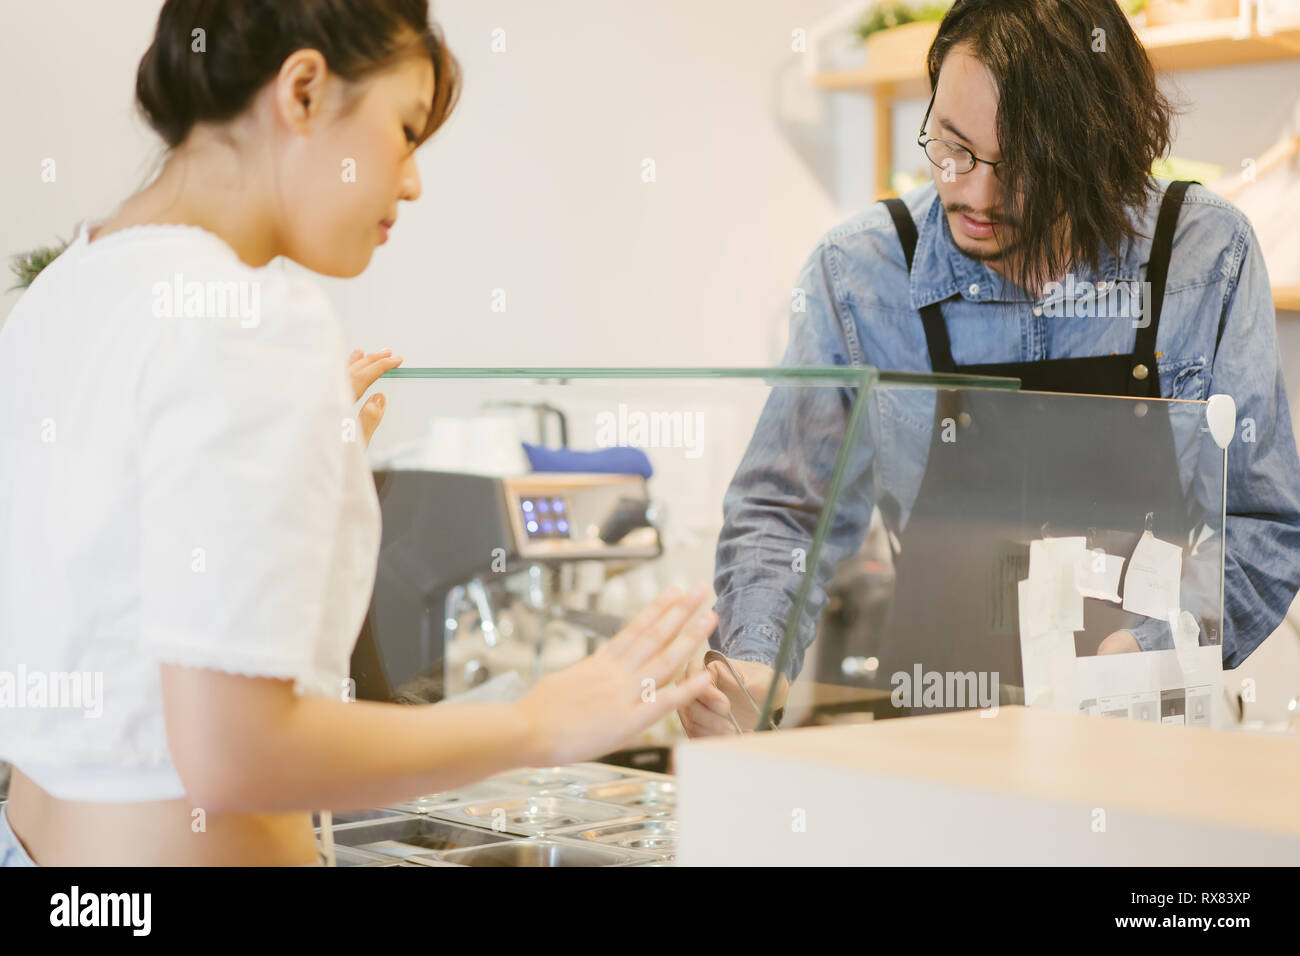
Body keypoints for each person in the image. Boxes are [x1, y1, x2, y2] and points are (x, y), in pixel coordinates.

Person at [0, 0, 715, 866]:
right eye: (406, 131)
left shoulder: (67, 287)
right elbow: (237, 755)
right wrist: (539, 720)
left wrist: (292, 445)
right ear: (302, 90)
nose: (411, 180)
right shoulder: (255, 317)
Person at [678, 0, 1300, 735]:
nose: (973, 193)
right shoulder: (859, 276)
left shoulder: (1203, 255)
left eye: (1025, 168)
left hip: (1146, 738)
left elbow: (1260, 521)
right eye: (951, 146)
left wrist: (1142, 656)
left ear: (1100, 154)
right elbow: (787, 513)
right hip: (934, 739)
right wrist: (754, 665)